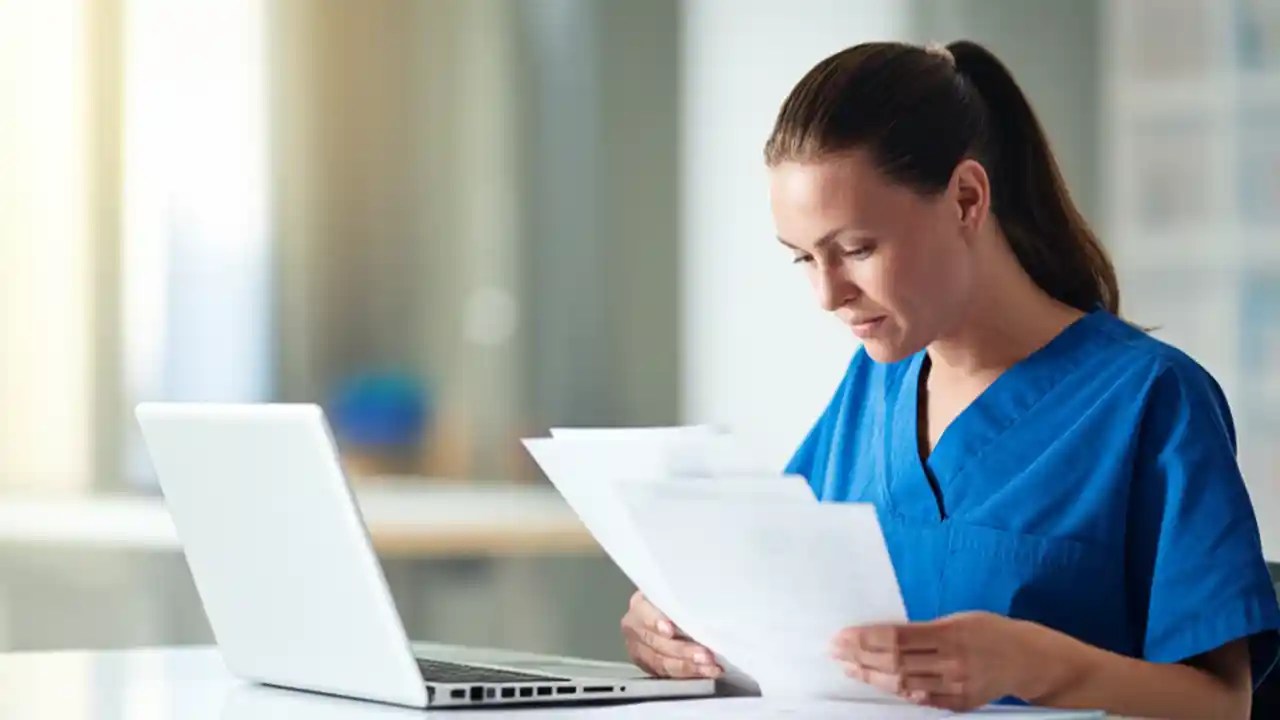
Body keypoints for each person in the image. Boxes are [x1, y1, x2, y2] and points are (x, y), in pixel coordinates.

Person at [619, 39, 1280, 717]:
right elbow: (773, 605)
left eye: (856, 249)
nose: (828, 294)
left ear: (966, 198)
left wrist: (1031, 661)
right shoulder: (871, 393)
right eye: (802, 259)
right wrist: (679, 625)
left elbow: (1221, 703)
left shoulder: (1148, 401)